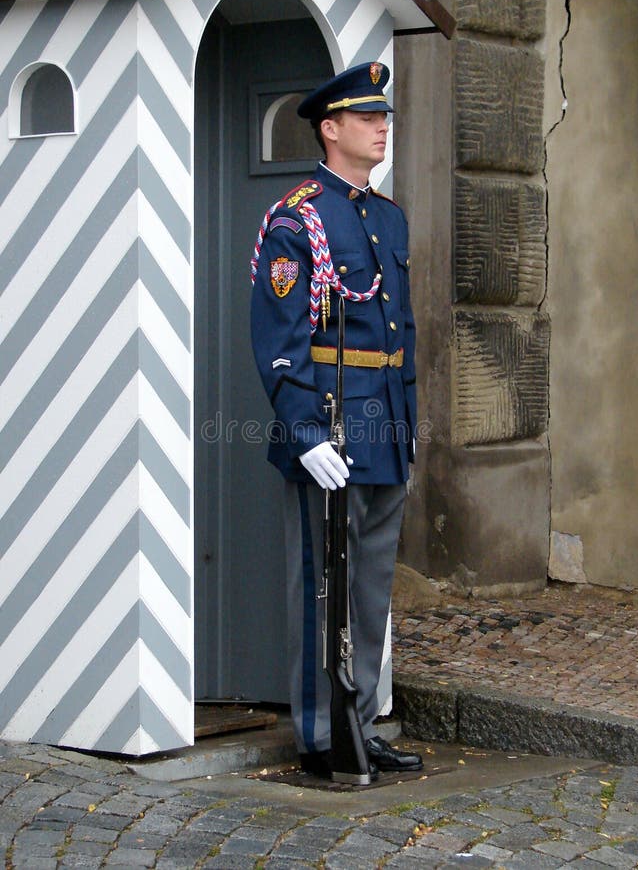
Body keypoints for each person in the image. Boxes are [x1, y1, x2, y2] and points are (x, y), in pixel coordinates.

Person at [250, 62, 422, 780]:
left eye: (384, 117)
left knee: (372, 586)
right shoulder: (298, 217)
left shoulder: (385, 216)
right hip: (329, 431)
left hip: (384, 428)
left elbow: (400, 330)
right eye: (367, 117)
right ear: (330, 127)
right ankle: (321, 735)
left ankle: (360, 723)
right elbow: (280, 340)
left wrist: (408, 424)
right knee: (321, 585)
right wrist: (305, 434)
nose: (382, 126)